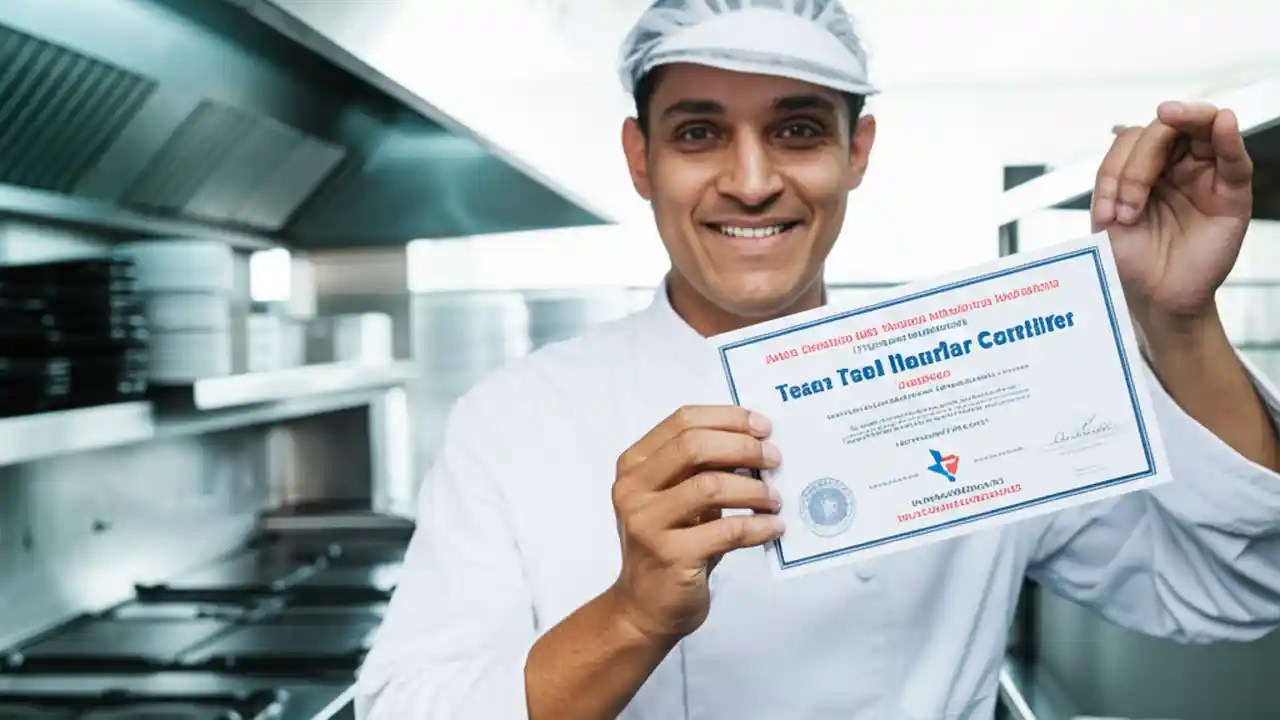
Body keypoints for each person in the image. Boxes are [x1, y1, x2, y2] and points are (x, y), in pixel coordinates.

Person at [355, 1, 1280, 718]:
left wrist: (1180, 322)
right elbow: (405, 709)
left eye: (797, 130)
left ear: (857, 151)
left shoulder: (973, 383)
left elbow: (1234, 593)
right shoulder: (517, 419)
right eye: (698, 132)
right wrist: (631, 616)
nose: (753, 181)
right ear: (640, 157)